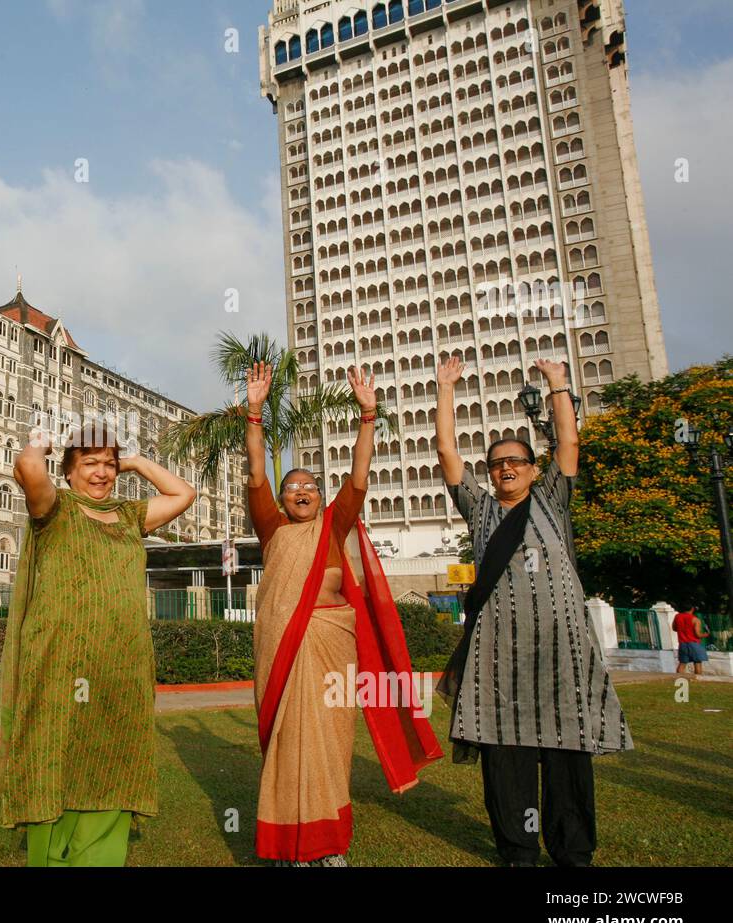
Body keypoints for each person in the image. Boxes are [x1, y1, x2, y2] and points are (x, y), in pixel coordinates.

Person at [435, 354, 632, 867]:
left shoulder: (551, 500)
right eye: (497, 463)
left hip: (561, 658)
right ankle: (517, 850)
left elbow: (568, 442)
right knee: (506, 758)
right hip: (498, 661)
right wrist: (445, 390)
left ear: (532, 468)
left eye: (514, 462)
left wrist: (559, 385)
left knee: (568, 756)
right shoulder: (478, 509)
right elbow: (446, 450)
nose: (504, 468)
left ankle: (573, 851)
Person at [245, 362, 441, 867]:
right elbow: (254, 473)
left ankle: (328, 845)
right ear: (283, 500)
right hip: (284, 654)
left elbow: (358, 474)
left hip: (333, 647)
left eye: (310, 485)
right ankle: (289, 843)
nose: (302, 491)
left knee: (331, 742)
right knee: (290, 743)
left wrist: (369, 416)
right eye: (293, 488)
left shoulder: (334, 527)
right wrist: (255, 414)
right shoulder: (272, 529)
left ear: (319, 495)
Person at [0, 417, 196, 866]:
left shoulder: (130, 516)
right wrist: (38, 445)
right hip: (58, 666)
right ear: (69, 471)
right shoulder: (52, 510)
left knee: (114, 759)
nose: (102, 473)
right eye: (90, 464)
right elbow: (29, 469)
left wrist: (134, 461)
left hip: (121, 668)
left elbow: (184, 495)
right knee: (52, 754)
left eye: (109, 465)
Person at [674, 605, 710, 677]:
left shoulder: (677, 617)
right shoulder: (695, 619)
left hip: (682, 643)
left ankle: (679, 679)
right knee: (697, 662)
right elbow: (698, 634)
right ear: (692, 609)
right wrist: (705, 635)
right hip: (694, 643)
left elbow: (674, 628)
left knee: (682, 663)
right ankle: (698, 679)